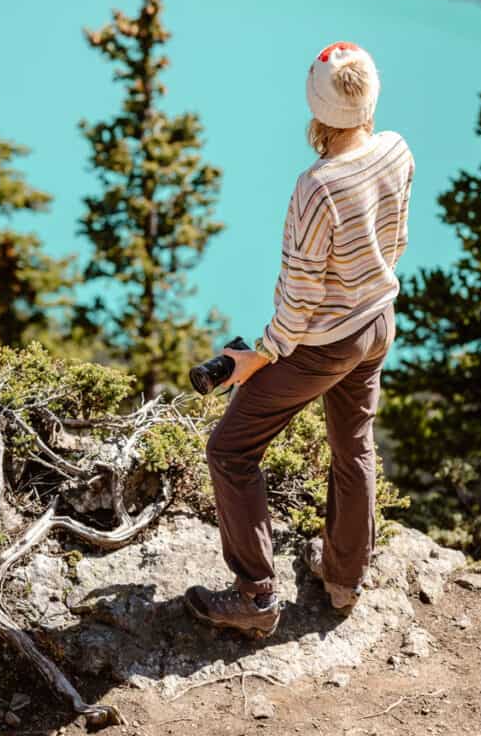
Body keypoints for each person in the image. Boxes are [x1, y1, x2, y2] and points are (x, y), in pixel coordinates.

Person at [184, 41, 415, 639]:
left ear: (315, 108)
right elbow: (396, 244)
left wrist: (253, 359)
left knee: (231, 450)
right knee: (353, 445)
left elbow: (299, 300)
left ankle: (256, 598)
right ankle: (343, 580)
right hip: (377, 324)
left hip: (323, 344)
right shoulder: (396, 151)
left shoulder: (317, 187)